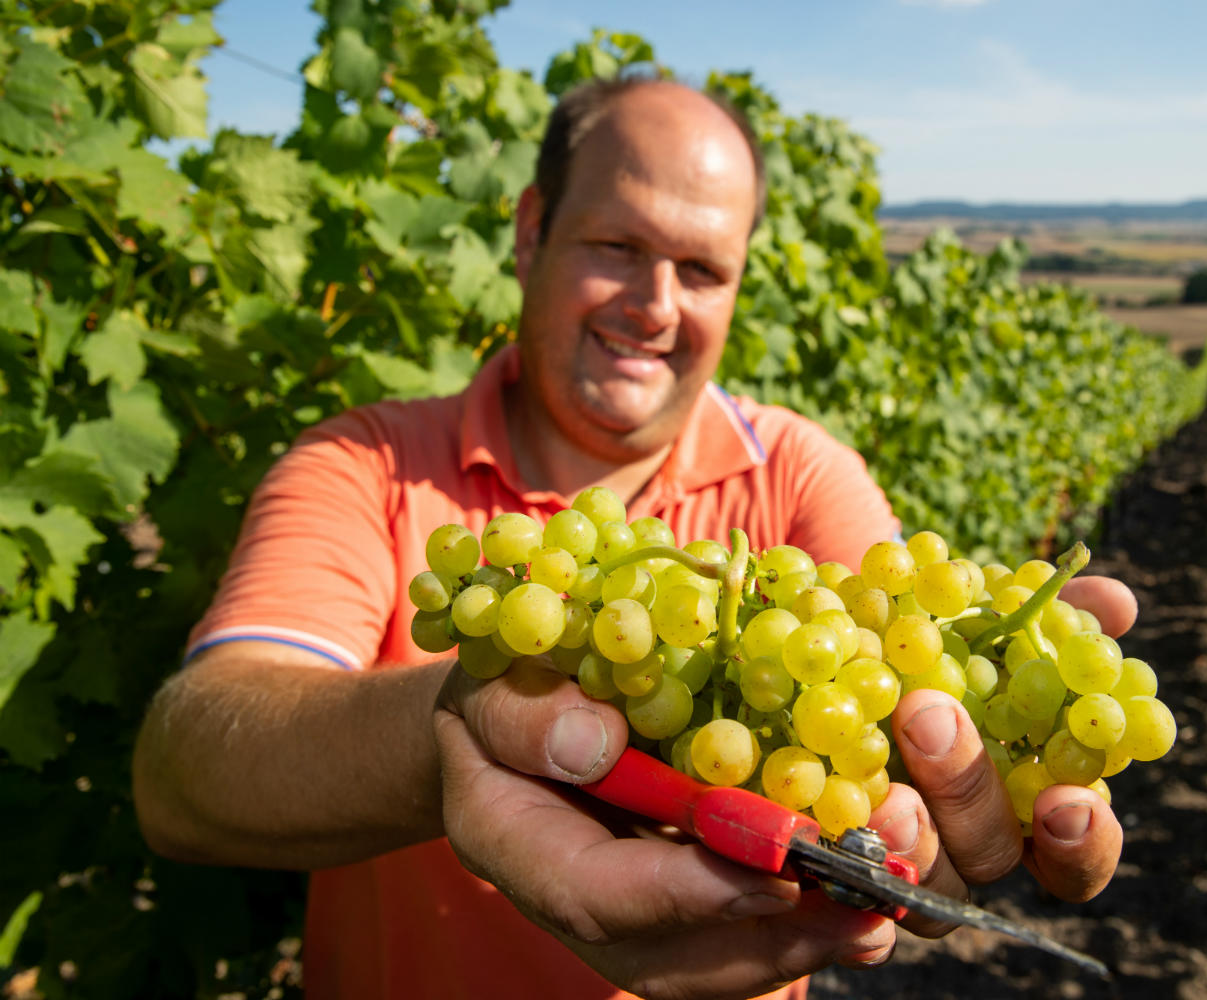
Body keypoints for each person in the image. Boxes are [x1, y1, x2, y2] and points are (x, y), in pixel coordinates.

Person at [132, 77, 1130, 1000]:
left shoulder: (800, 472)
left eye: (701, 270)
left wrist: (968, 763)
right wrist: (452, 732)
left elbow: (896, 676)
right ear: (532, 230)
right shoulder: (369, 465)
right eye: (618, 244)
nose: (655, 305)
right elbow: (185, 771)